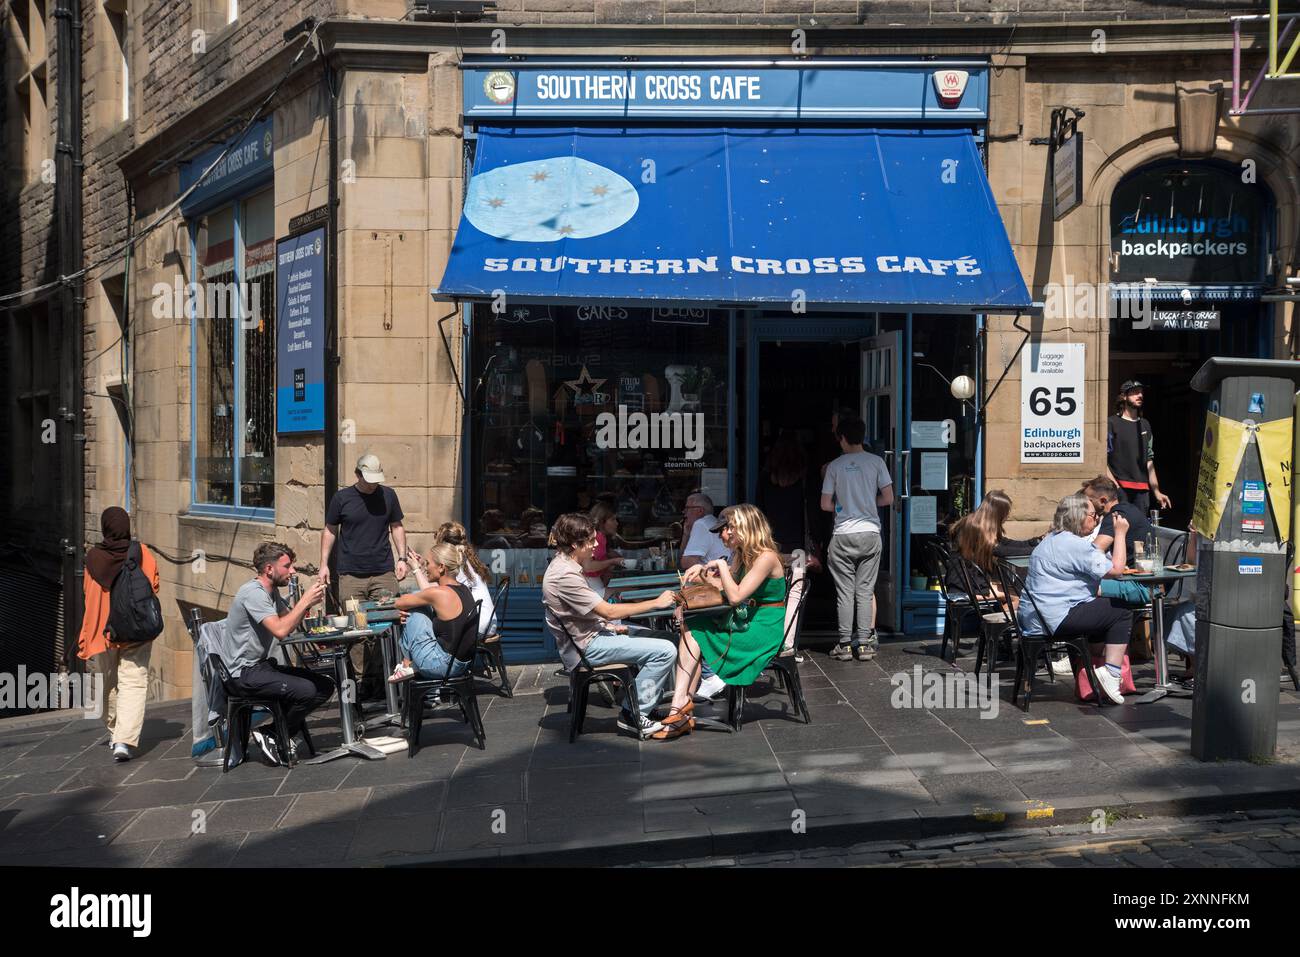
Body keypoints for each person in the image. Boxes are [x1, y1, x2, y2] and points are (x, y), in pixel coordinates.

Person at [541, 512, 679, 739]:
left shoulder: (568, 565)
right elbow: (609, 610)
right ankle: (633, 714)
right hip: (587, 648)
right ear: (576, 544)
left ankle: (646, 704)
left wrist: (610, 626)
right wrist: (656, 602)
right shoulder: (564, 575)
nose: (596, 544)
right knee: (665, 650)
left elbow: (589, 613)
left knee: (661, 637)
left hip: (593, 636)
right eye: (591, 541)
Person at [659, 504, 788, 740]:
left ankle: (680, 708)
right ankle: (680, 705)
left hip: (762, 629)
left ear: (742, 528)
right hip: (747, 620)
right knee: (692, 628)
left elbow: (736, 595)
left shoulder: (766, 557)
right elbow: (724, 587)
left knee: (693, 631)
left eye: (725, 529)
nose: (721, 535)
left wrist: (719, 565)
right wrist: (703, 570)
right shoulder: (741, 555)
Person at [223, 543, 334, 766]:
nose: (292, 571)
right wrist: (304, 602)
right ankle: (273, 733)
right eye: (287, 566)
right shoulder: (253, 594)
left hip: (261, 666)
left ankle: (276, 733)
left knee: (325, 686)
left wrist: (307, 604)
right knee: (306, 690)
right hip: (243, 673)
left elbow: (289, 619)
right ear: (269, 570)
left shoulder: (271, 593)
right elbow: (281, 630)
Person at [1017, 493, 1133, 705]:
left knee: (1100, 611)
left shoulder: (1050, 540)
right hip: (1054, 618)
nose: (1096, 519)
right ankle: (1112, 673)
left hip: (1034, 616)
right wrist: (1120, 533)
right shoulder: (1074, 545)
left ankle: (1095, 677)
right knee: (1121, 609)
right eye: (1093, 515)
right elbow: (1116, 570)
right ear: (1079, 516)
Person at [321, 453, 407, 698]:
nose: (373, 484)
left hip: (383, 571)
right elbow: (329, 531)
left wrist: (401, 559)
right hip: (351, 575)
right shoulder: (342, 499)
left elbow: (397, 527)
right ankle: (361, 681)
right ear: (357, 474)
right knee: (356, 630)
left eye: (376, 479)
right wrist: (323, 564)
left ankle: (385, 677)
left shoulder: (388, 495)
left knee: (388, 624)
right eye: (368, 479)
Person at [78, 507, 159, 762]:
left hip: (103, 632)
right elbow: (154, 586)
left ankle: (117, 731)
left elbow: (88, 596)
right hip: (136, 629)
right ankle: (123, 739)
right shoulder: (143, 553)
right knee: (133, 682)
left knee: (105, 684)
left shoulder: (93, 558)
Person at [820, 414, 894, 661]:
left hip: (843, 535)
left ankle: (843, 644)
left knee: (845, 592)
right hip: (870, 533)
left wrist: (845, 505)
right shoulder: (876, 462)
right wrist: (867, 504)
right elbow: (888, 498)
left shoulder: (835, 466)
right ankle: (863, 644)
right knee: (864, 590)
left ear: (842, 438)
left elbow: (825, 505)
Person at [391, 543, 481, 683]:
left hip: (441, 665)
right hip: (462, 664)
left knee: (414, 609)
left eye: (427, 563)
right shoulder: (462, 588)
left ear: (441, 567)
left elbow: (399, 602)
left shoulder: (439, 593)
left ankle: (406, 664)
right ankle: (407, 666)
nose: (425, 567)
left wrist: (403, 610)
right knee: (419, 603)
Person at [945, 490, 1039, 600]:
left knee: (1015, 589)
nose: (1007, 516)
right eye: (1006, 512)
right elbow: (1001, 551)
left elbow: (1007, 544)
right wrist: (1039, 550)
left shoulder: (977, 524)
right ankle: (994, 617)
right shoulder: (975, 528)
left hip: (971, 582)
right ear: (998, 513)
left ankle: (999, 616)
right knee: (1018, 595)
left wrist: (1035, 542)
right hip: (964, 588)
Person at [1106, 380, 1171, 514]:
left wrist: (1157, 491)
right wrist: (1116, 487)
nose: (1140, 395)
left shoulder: (1145, 424)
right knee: (1119, 530)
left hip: (1142, 491)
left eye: (1141, 392)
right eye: (1135, 392)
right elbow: (1102, 459)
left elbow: (1149, 460)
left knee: (1139, 532)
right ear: (1124, 396)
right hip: (1120, 489)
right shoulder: (1111, 423)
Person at [756, 429, 810, 556]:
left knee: (774, 575)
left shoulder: (765, 476)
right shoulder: (804, 476)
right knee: (797, 575)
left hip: (771, 538)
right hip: (797, 540)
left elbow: (759, 508)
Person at [1082, 475, 1153, 556]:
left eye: (1089, 501)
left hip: (1134, 568)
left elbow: (1093, 553)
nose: (1086, 504)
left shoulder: (1115, 516)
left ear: (1102, 501)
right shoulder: (1129, 508)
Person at [581, 502, 625, 597]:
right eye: (612, 519)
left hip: (594, 585)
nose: (616, 523)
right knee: (632, 593)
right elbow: (588, 567)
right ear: (601, 521)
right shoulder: (596, 537)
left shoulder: (601, 538)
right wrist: (612, 562)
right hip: (590, 587)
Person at [680, 491, 730, 570]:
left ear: (700, 511)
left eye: (687, 508)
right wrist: (686, 534)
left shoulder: (701, 524)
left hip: (715, 578)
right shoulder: (710, 521)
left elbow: (687, 564)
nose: (684, 512)